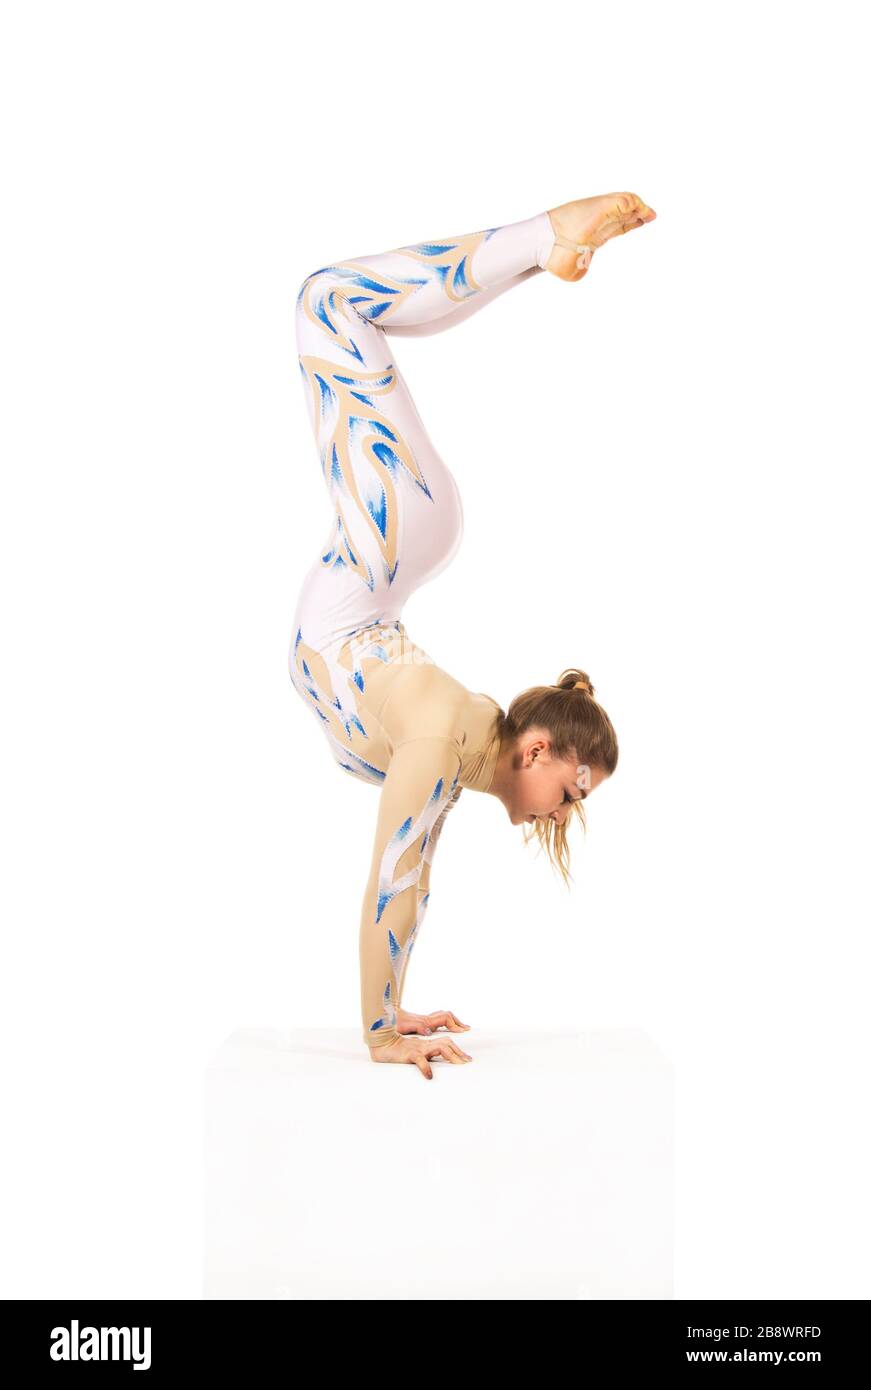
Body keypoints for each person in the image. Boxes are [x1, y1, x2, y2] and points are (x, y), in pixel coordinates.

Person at [289, 193, 656, 1079]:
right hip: (386, 548)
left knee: (337, 310)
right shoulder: (449, 736)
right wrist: (376, 1034)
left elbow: (409, 886)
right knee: (326, 302)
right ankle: (544, 239)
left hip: (390, 556)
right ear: (535, 748)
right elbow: (389, 880)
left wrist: (394, 1011)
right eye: (572, 789)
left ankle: (544, 252)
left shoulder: (457, 756)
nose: (563, 812)